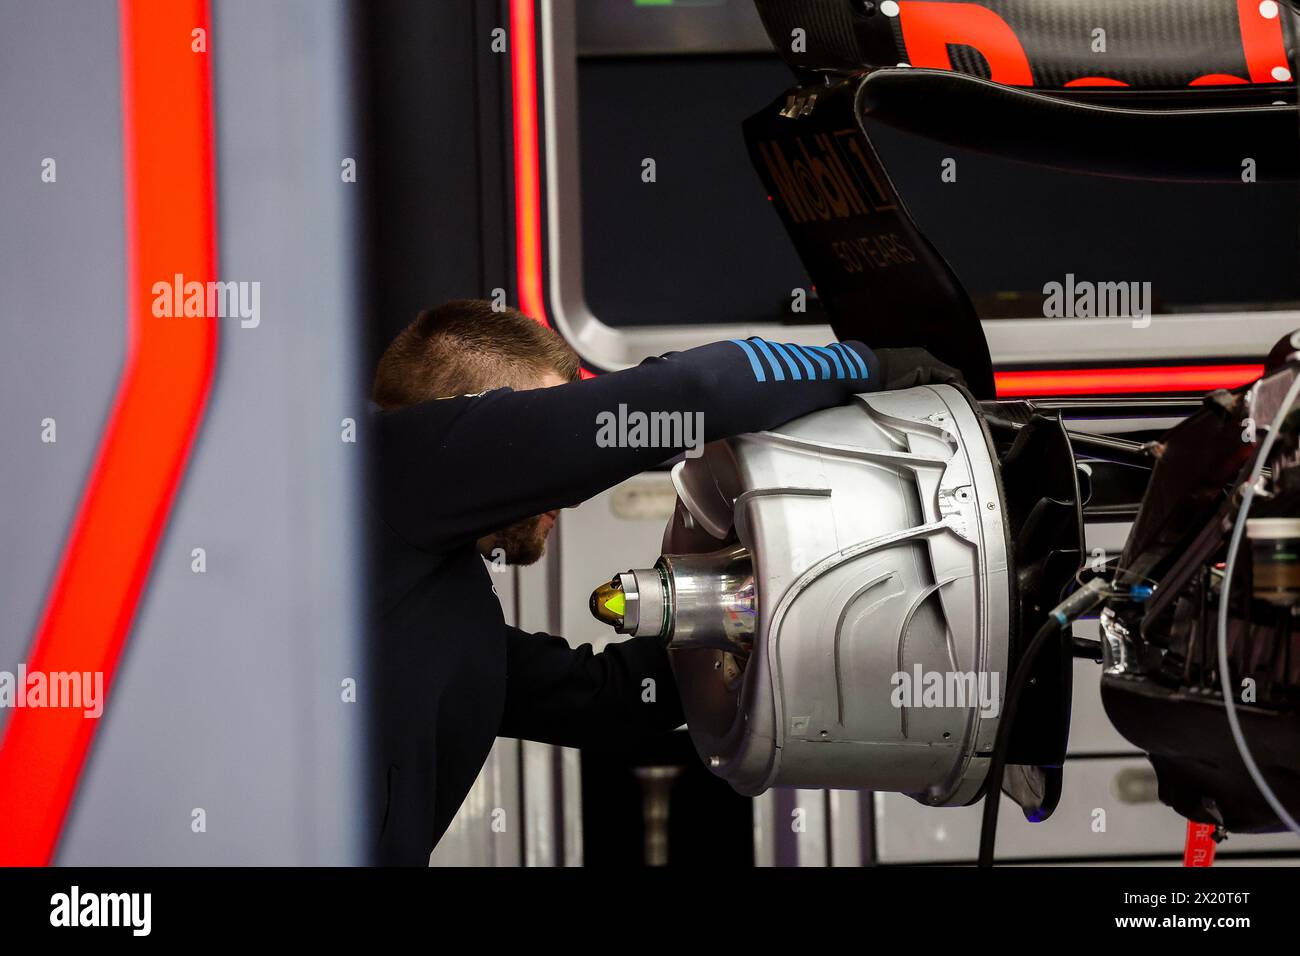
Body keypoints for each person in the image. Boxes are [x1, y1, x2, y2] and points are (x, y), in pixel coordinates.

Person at [367, 298, 962, 865]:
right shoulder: (384, 464)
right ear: (464, 414)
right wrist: (867, 365)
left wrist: (761, 619)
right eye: (541, 422)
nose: (557, 490)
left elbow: (604, 702)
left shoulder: (425, 592)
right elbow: (690, 391)